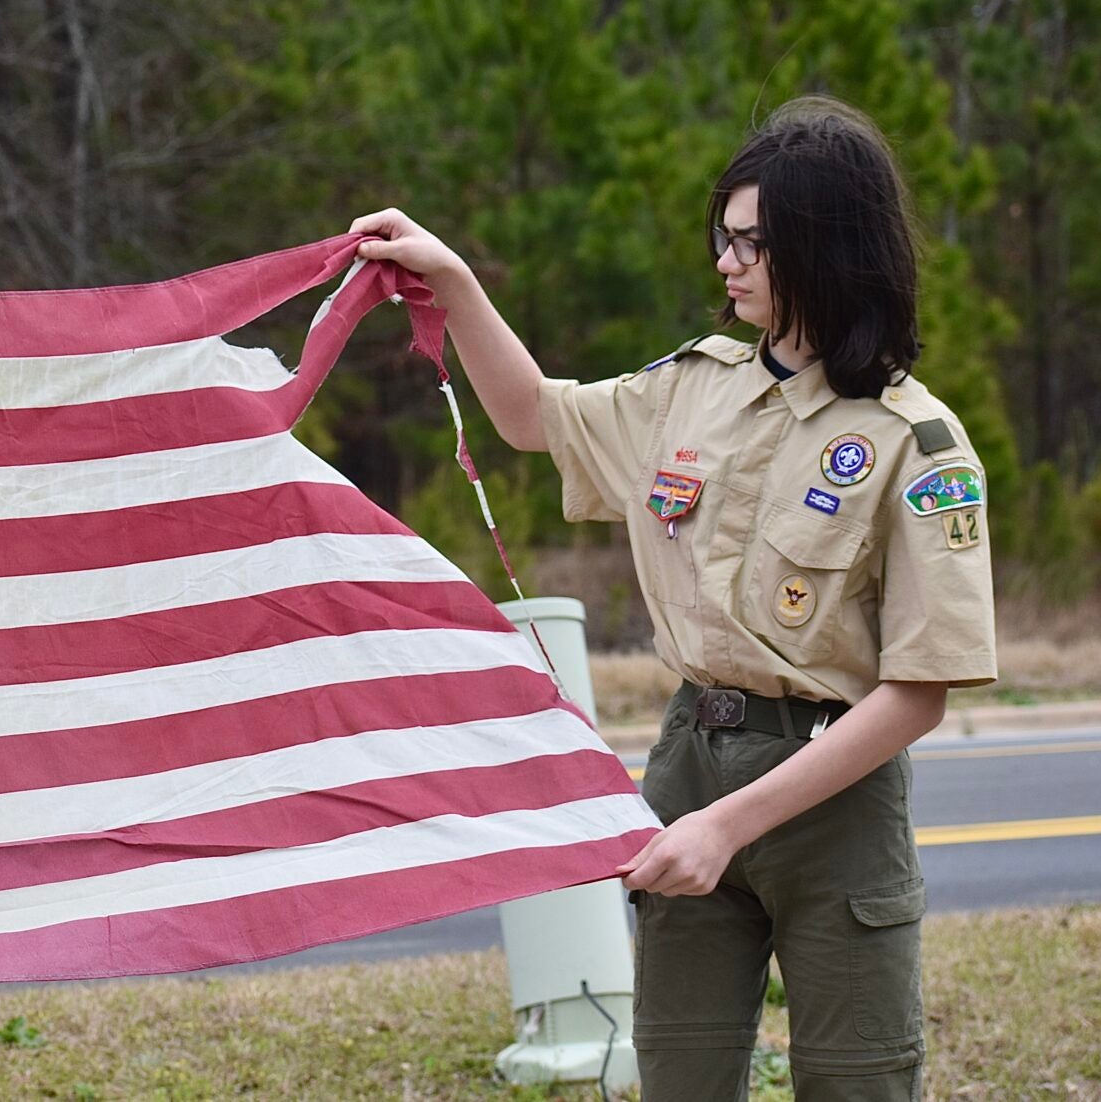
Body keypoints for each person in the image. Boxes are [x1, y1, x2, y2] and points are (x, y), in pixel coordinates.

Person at [353, 96, 995, 1099]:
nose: (725, 262)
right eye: (721, 236)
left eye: (752, 242)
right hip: (692, 754)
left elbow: (920, 692)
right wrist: (455, 283)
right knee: (681, 1077)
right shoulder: (689, 389)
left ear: (827, 250)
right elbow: (531, 416)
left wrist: (729, 824)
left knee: (859, 1080)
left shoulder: (916, 443)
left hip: (831, 792)